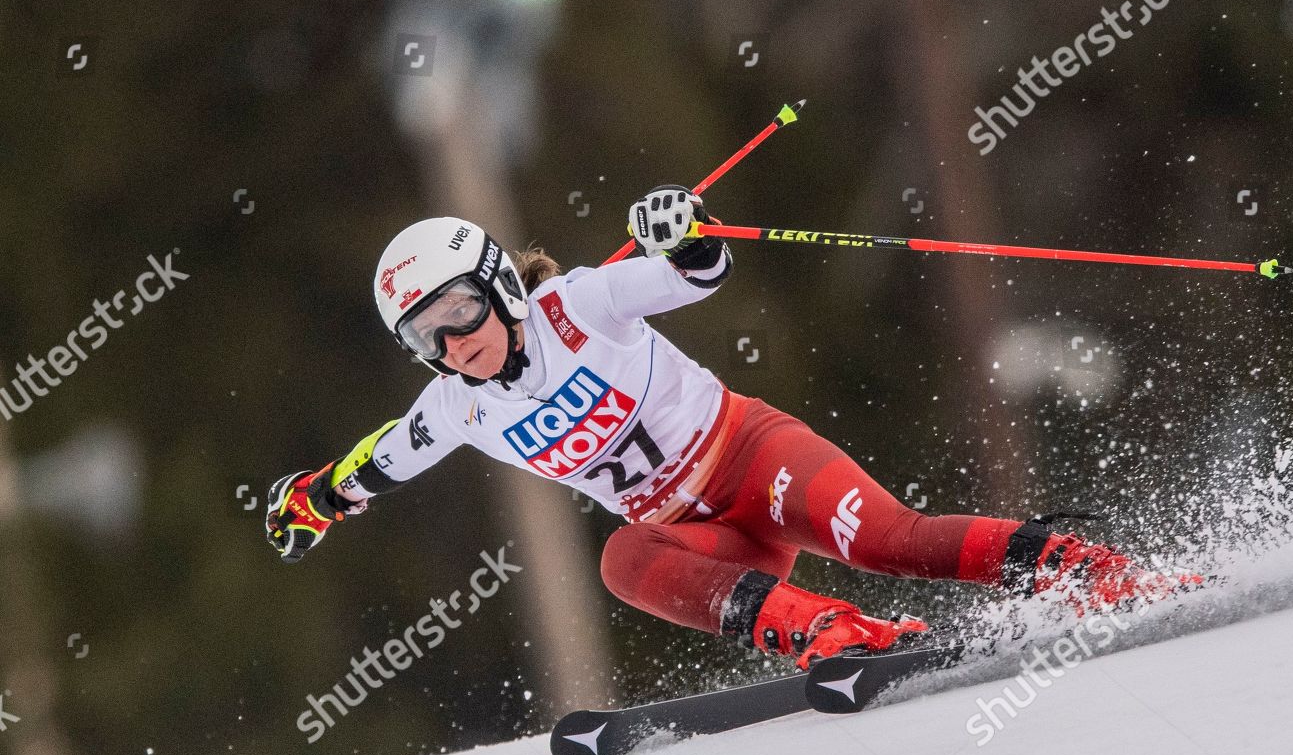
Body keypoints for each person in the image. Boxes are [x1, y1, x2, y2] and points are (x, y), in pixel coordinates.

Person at [266, 187, 1191, 670]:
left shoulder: (578, 305)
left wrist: (683, 229)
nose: (453, 343)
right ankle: (832, 633)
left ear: (500, 284)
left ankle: (1096, 574)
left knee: (889, 540)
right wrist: (314, 503)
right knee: (623, 561)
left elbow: (693, 274)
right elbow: (375, 465)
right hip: (700, 532)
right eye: (425, 335)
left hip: (749, 458)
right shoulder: (456, 407)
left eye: (459, 311)